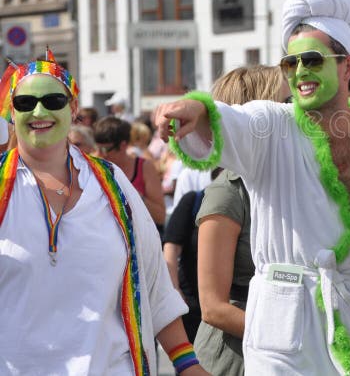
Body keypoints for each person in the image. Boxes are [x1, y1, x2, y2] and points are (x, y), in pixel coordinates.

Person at [153, 0, 350, 375]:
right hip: (286, 337)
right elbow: (227, 122)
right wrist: (191, 110)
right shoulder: (271, 126)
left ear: (347, 65)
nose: (300, 71)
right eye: (291, 63)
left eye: (313, 60)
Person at [0, 53, 207, 375]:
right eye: (25, 103)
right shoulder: (2, 188)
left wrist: (186, 363)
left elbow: (153, 280)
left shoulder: (112, 184)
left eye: (53, 100)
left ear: (73, 110)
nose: (39, 111)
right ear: (11, 113)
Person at [193, 65, 290, 376]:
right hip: (234, 359)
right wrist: (291, 337)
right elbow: (213, 308)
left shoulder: (285, 185)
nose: (297, 116)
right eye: (286, 106)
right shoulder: (227, 192)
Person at [95, 116, 166, 230]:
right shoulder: (96, 168)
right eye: (97, 148)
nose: (98, 154)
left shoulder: (144, 167)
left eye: (104, 150)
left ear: (123, 145)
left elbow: (160, 216)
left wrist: (132, 195)